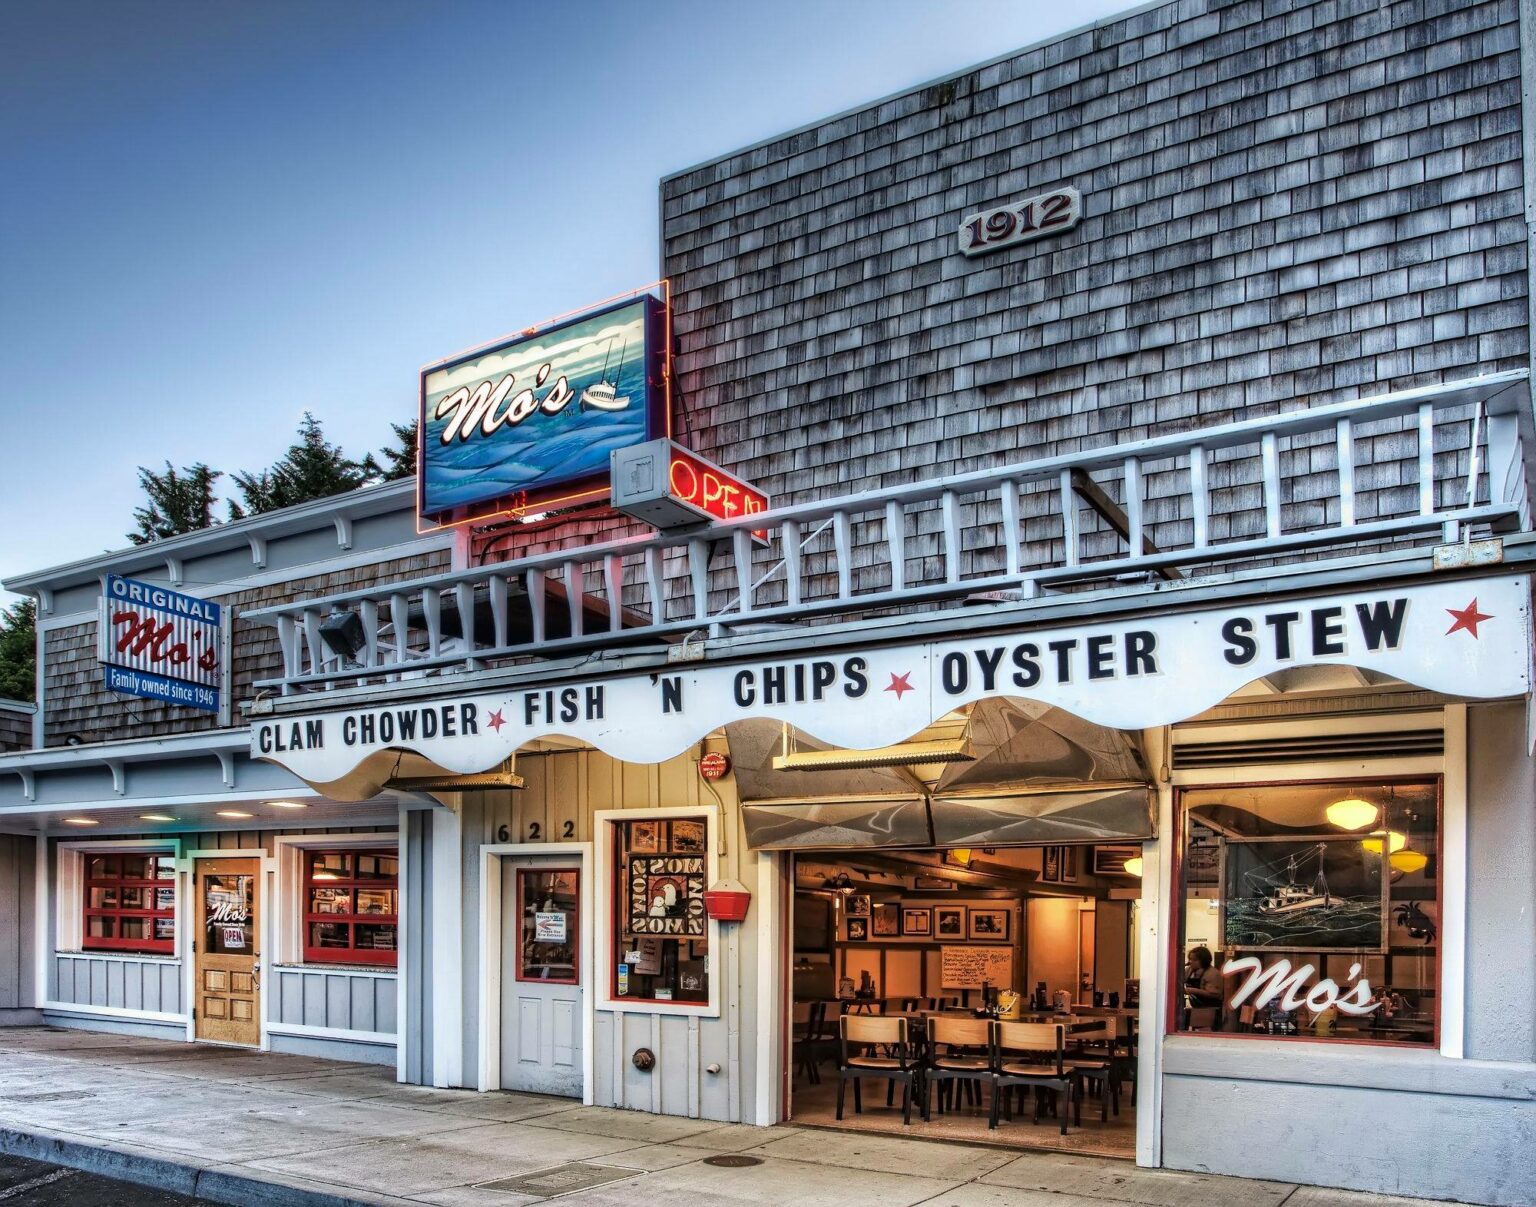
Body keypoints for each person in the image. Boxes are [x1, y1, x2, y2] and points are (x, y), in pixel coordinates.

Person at [1183, 946, 1224, 1025]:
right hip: (1196, 1008)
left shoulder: (1213, 974)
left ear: (1204, 960)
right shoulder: (1188, 970)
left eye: (1194, 960)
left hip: (1212, 1009)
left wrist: (1193, 990)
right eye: (1190, 959)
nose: (1191, 962)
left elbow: (1215, 994)